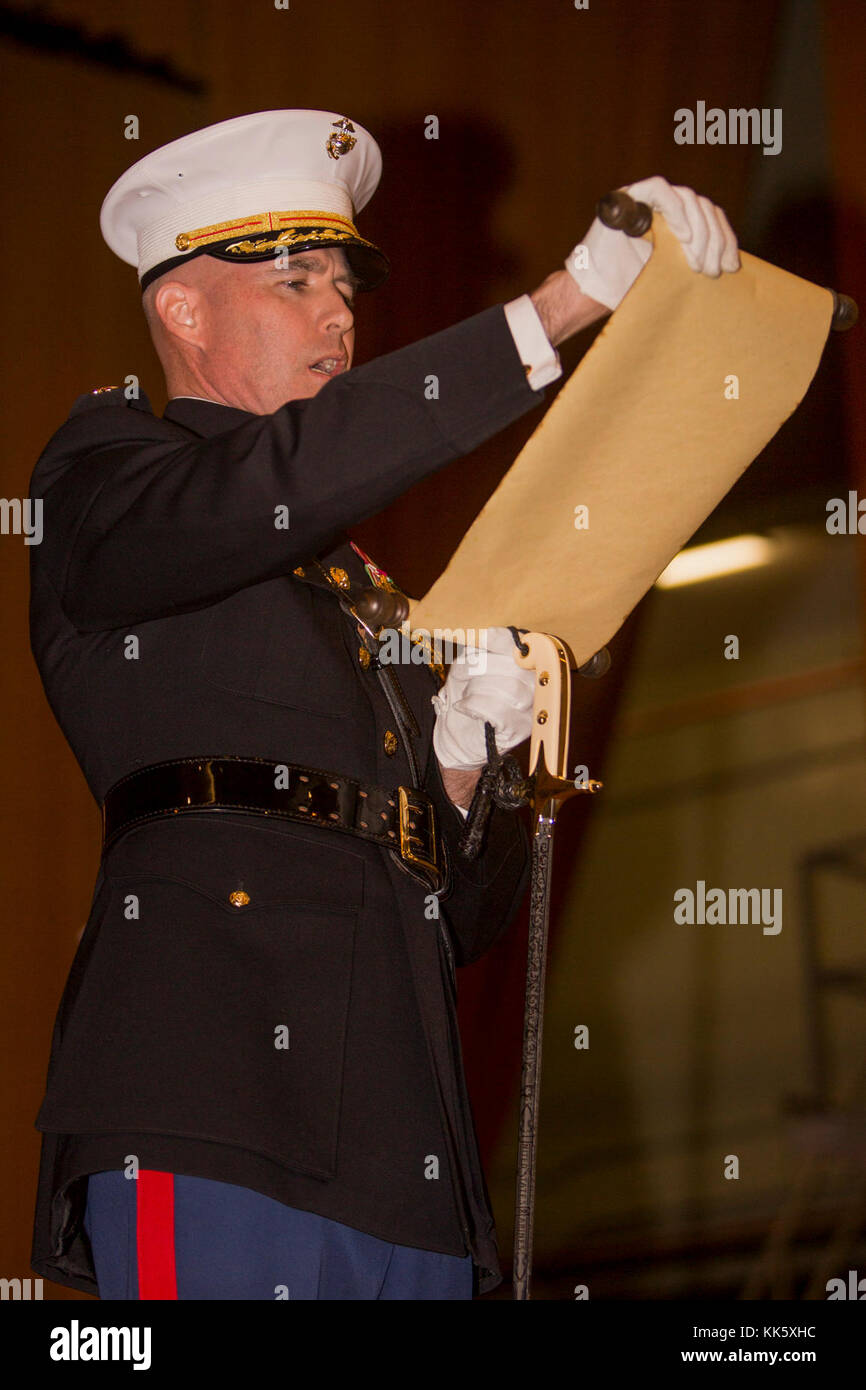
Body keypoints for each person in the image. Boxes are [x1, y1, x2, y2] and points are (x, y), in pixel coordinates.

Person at [28, 109, 739, 1300]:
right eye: (296, 279)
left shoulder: (371, 602)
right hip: (211, 1102)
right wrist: (553, 310)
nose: (339, 314)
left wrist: (468, 763)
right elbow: (279, 478)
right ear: (182, 310)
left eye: (344, 284)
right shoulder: (106, 482)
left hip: (404, 1140)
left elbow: (457, 916)